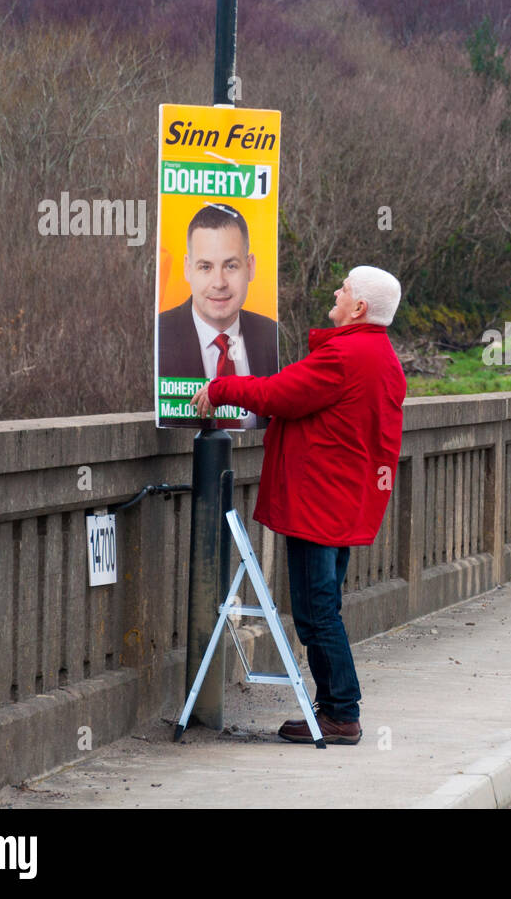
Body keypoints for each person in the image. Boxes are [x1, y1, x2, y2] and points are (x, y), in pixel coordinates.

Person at [190, 266, 406, 746]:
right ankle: (334, 708)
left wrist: (221, 388)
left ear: (359, 308)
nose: (336, 291)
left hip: (319, 504)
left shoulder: (346, 355)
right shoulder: (383, 358)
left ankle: (341, 713)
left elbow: (276, 395)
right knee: (325, 607)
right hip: (345, 503)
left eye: (345, 288)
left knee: (317, 613)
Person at [157, 203, 278, 428]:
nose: (219, 283)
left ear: (250, 267)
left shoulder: (273, 336)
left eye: (231, 266)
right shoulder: (158, 335)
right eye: (205, 267)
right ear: (187, 268)